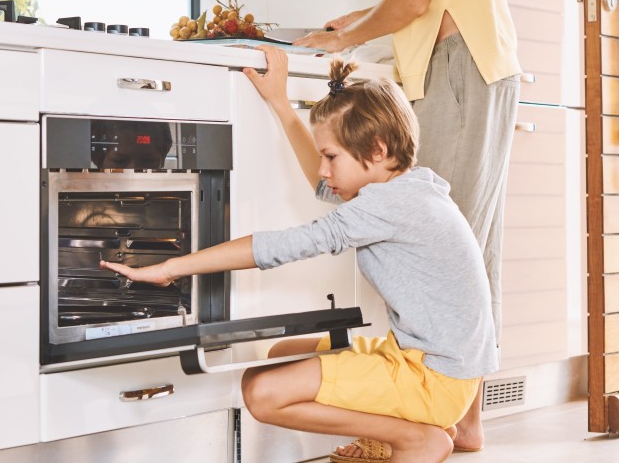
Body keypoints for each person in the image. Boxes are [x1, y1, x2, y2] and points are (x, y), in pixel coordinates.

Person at [102, 46, 497, 463]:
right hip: (436, 369)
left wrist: (171, 268)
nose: (324, 170)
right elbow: (325, 185)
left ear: (377, 150)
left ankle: (416, 438)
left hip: (431, 379)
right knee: (279, 356)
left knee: (261, 392)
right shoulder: (410, 190)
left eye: (331, 156)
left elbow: (280, 247)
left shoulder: (388, 206)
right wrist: (280, 102)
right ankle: (416, 428)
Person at [294, 0, 522, 451]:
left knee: (447, 241)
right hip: (461, 68)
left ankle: (445, 419)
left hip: (458, 70)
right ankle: (459, 418)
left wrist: (345, 40)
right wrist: (363, 21)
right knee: (466, 241)